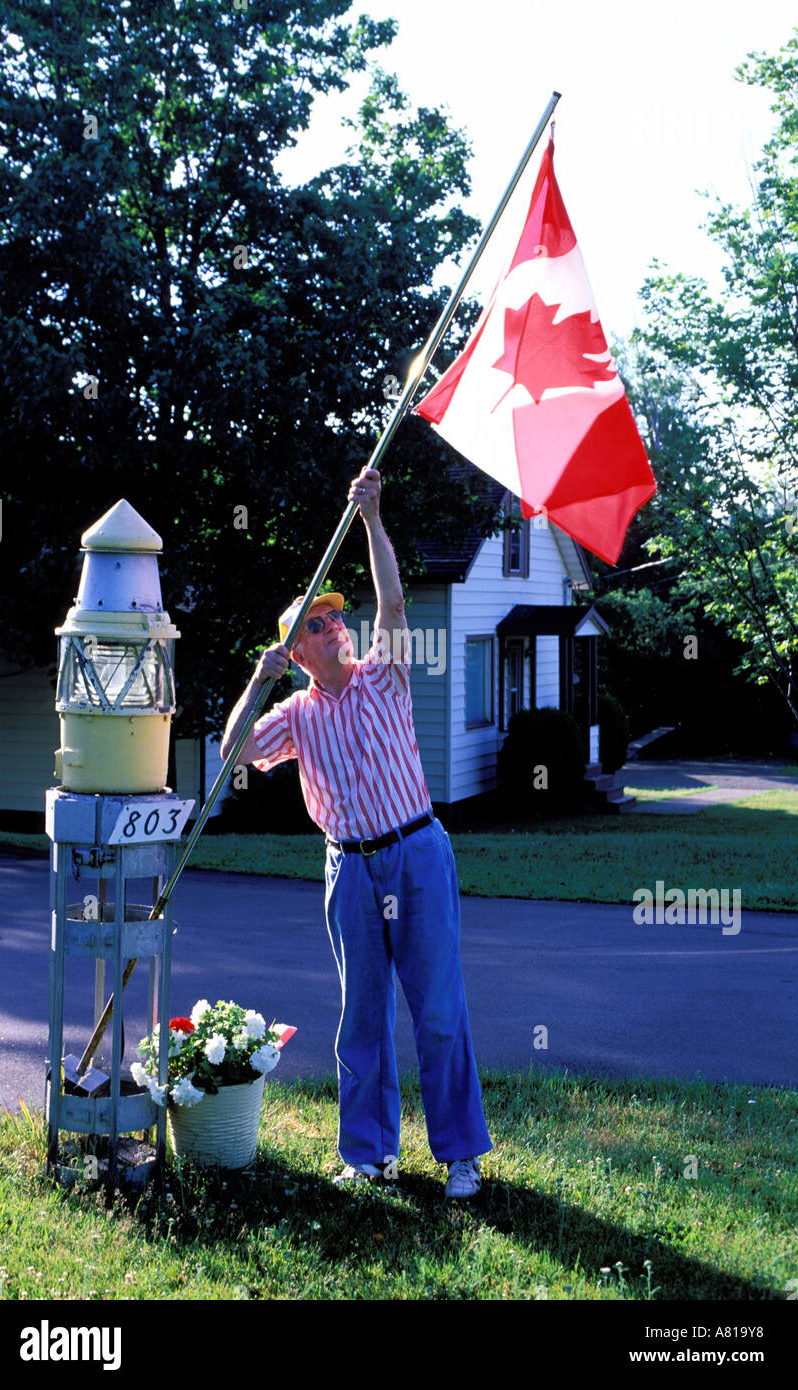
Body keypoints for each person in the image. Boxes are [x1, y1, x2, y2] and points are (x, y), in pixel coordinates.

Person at [221, 466, 492, 1199]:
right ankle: (368, 1155)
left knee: (438, 1011)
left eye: (338, 615)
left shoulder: (383, 675)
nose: (336, 623)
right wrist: (257, 680)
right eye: (318, 622)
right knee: (361, 1019)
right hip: (351, 872)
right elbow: (233, 752)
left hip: (418, 853)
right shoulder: (297, 717)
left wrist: (372, 518)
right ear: (297, 652)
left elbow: (396, 601)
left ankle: (460, 1155)